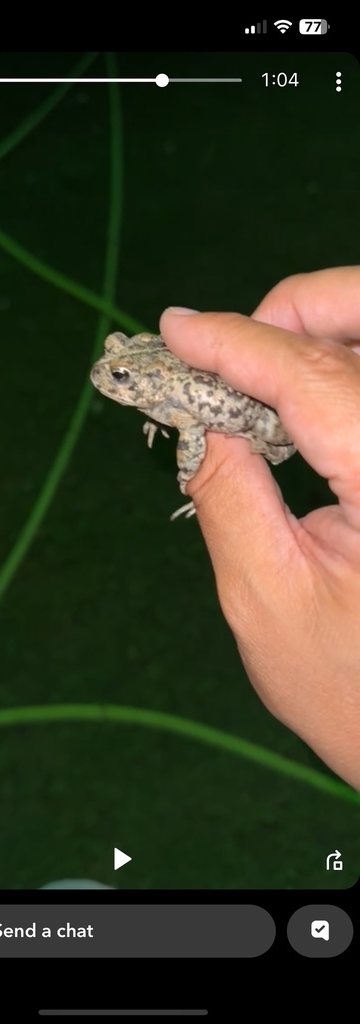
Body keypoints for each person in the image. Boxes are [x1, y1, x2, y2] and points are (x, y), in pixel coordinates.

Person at [158, 266, 360, 792]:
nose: (111, 378)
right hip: (231, 392)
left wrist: (189, 478)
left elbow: (195, 437)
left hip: (261, 422)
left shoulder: (178, 406)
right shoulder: (167, 394)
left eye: (124, 378)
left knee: (243, 442)